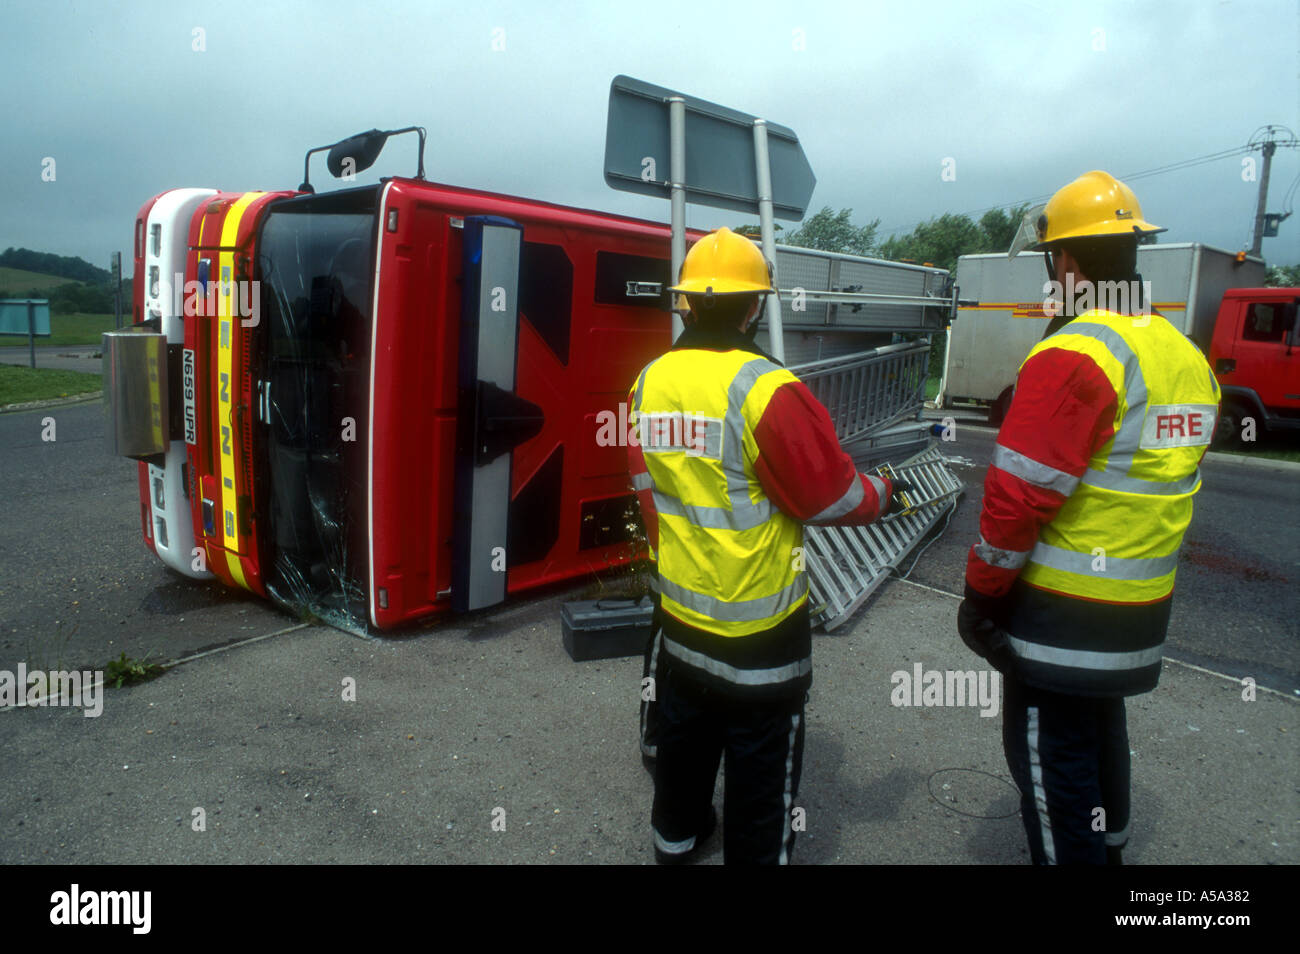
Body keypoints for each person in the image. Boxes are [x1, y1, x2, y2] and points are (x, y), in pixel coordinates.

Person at [960, 171, 1221, 865]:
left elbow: (1017, 498)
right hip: (1140, 607)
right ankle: (1111, 847)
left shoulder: (1076, 352)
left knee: (1050, 764)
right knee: (1101, 724)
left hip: (1062, 615)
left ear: (1067, 263)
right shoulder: (1183, 354)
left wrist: (981, 596)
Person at [627, 227, 904, 864]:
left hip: (681, 612)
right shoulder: (767, 388)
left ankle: (676, 840)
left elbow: (648, 487)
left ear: (687, 302)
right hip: (760, 626)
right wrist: (886, 493)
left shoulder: (650, 381)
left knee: (684, 737)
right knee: (761, 766)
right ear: (757, 305)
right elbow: (828, 496)